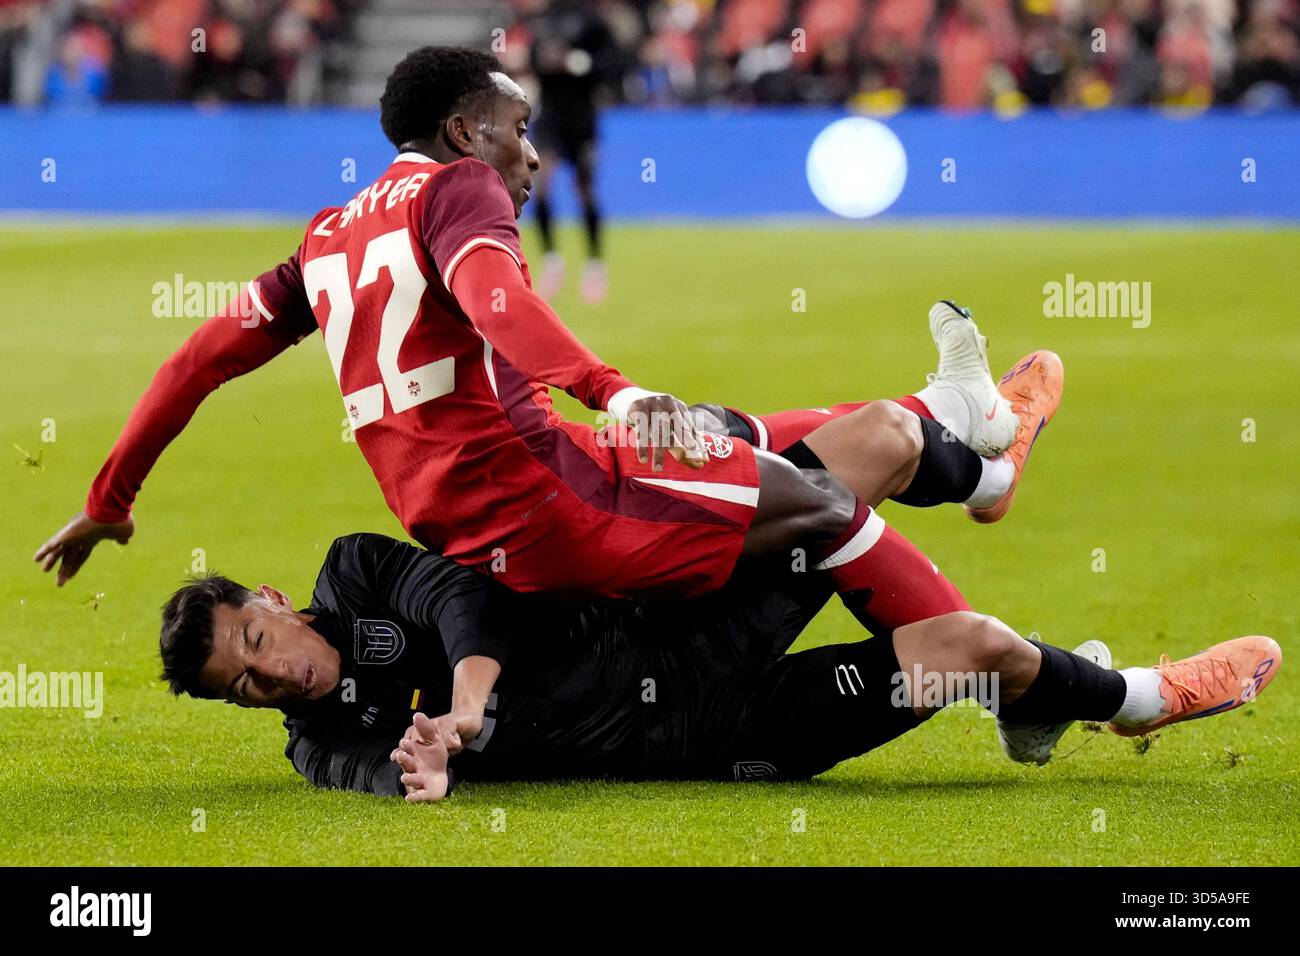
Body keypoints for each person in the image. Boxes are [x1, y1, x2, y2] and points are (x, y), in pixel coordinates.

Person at [36, 45, 1038, 641]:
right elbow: (498, 304)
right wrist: (611, 388)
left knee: (727, 431)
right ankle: (1028, 685)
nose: (532, 152)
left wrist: (106, 502)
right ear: (466, 131)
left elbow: (193, 362)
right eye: (518, 128)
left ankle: (974, 450)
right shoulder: (459, 190)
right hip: (545, 494)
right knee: (812, 496)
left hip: (461, 511)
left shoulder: (330, 234)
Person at [157, 532, 1282, 802]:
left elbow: (460, 591)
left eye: (258, 645)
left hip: (663, 631)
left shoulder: (353, 574)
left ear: (266, 600)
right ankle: (1136, 699)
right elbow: (369, 775)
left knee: (830, 489)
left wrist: (462, 700)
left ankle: (961, 437)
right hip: (717, 727)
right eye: (241, 688)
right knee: (975, 643)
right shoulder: (324, 748)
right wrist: (430, 759)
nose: (274, 678)